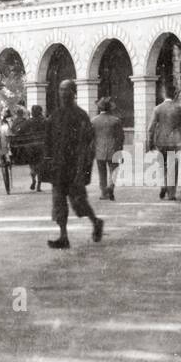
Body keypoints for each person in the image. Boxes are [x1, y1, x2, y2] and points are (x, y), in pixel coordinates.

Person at [45, 80, 104, 249]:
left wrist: (83, 170)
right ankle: (63, 236)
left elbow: (86, 145)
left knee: (79, 202)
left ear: (73, 92)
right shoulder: (55, 116)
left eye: (66, 90)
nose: (63, 93)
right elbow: (48, 142)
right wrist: (48, 163)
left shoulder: (81, 116)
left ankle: (96, 222)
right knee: (58, 203)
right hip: (58, 167)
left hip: (74, 167)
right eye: (61, 89)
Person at [147, 86, 181, 200]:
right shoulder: (180, 108)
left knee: (162, 165)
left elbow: (151, 128)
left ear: (164, 95)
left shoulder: (157, 109)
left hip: (161, 141)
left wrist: (150, 143)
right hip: (175, 142)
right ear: (175, 95)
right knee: (173, 167)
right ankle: (171, 194)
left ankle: (163, 184)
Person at [92, 96, 125, 200]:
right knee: (113, 171)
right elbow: (120, 138)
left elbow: (90, 137)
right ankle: (111, 186)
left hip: (99, 150)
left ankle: (103, 193)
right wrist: (121, 152)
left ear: (99, 108)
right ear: (110, 108)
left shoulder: (94, 121)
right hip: (113, 150)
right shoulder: (116, 120)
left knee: (102, 173)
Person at [23, 105, 45, 191]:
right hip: (42, 145)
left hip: (30, 145)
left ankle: (33, 180)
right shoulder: (44, 121)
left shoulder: (28, 122)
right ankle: (39, 185)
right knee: (40, 165)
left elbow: (20, 131)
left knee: (32, 164)